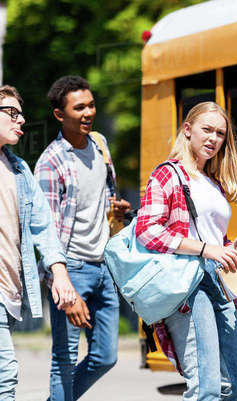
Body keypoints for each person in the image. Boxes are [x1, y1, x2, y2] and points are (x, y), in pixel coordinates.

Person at [136, 101, 237, 401]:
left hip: (219, 284)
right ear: (187, 130)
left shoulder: (214, 182)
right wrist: (207, 250)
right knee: (206, 387)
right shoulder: (168, 174)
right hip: (187, 286)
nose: (213, 139)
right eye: (207, 130)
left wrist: (231, 247)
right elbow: (147, 230)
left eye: (220, 134)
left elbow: (213, 237)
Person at [34, 75, 131, 401]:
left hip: (104, 266)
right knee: (65, 356)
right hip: (71, 268)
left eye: (91, 105)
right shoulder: (51, 162)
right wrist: (61, 284)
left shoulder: (100, 143)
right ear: (60, 115)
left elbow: (99, 197)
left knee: (106, 356)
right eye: (79, 108)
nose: (88, 112)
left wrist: (115, 208)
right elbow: (44, 230)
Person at [0, 84, 81, 400]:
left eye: (22, 115)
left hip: (10, 292)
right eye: (12, 113)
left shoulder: (19, 170)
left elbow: (44, 226)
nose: (21, 121)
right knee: (5, 376)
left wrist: (59, 273)